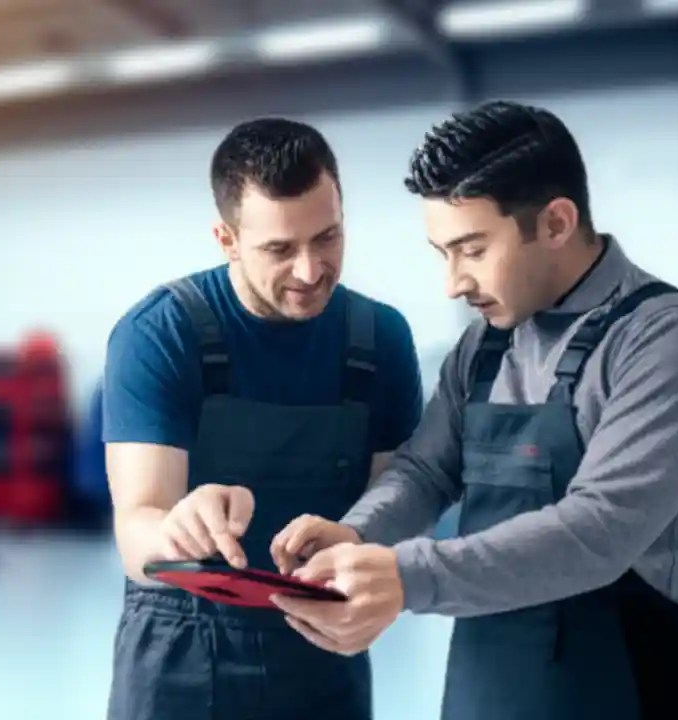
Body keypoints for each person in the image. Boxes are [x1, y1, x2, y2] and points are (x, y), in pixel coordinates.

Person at [269, 100, 678, 720]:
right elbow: (427, 470)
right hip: (482, 692)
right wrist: (359, 531)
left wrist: (406, 574)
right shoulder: (486, 342)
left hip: (615, 694)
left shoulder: (667, 342)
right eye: (443, 253)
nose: (453, 284)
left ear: (556, 222)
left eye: (472, 249)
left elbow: (600, 530)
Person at [101, 117, 424, 719]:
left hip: (323, 651)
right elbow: (135, 529)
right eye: (279, 249)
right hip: (180, 653)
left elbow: (398, 499)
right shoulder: (160, 334)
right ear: (226, 239)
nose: (309, 270)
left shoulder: (381, 339)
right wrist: (176, 532)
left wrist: (368, 561)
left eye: (327, 237)